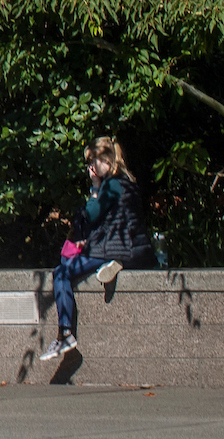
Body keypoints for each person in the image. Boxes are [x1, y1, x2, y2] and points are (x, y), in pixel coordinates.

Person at [40, 135, 157, 363]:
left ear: (106, 160)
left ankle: (65, 334)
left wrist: (95, 187)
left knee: (61, 272)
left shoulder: (110, 184)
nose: (91, 168)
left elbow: (92, 214)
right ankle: (113, 265)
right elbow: (118, 221)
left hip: (113, 248)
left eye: (93, 161)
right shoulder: (128, 182)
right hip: (133, 249)